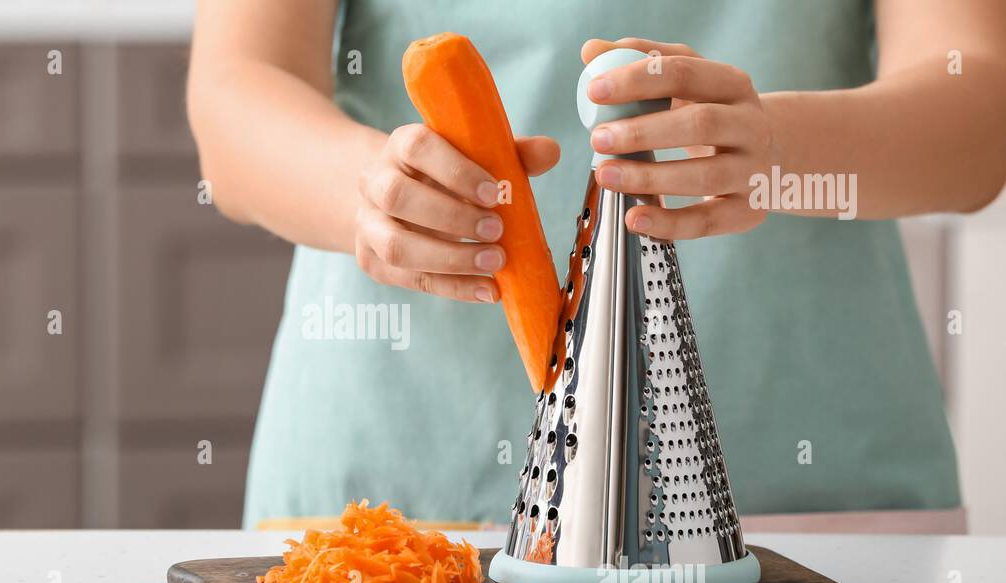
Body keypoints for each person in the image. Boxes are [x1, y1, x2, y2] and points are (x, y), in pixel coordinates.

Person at [187, 0, 1005, 532]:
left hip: (810, 503)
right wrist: (370, 194)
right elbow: (235, 92)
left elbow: (981, 108)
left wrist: (780, 151)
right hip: (403, 495)